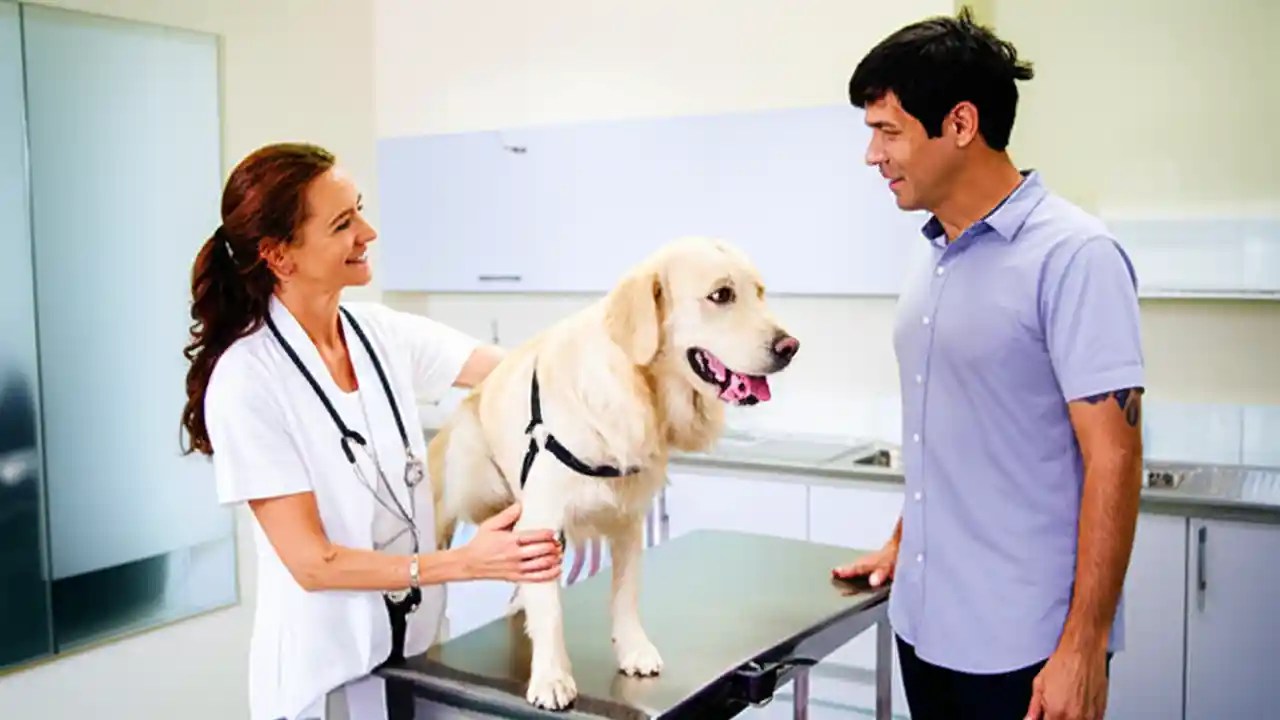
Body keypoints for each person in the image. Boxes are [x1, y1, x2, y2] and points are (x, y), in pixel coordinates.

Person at [830, 8, 1145, 720]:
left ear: (961, 124)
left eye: (888, 131)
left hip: (1024, 649)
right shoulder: (931, 252)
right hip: (922, 626)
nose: (872, 156)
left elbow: (1115, 460)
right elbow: (958, 432)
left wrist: (1083, 647)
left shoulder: (1075, 256)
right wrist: (903, 541)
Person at [181, 142, 564, 720]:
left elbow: (521, 371)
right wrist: (466, 562)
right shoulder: (246, 380)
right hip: (329, 672)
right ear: (279, 255)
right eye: (343, 222)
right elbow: (312, 564)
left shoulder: (379, 334)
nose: (369, 231)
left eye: (358, 209)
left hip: (415, 654)